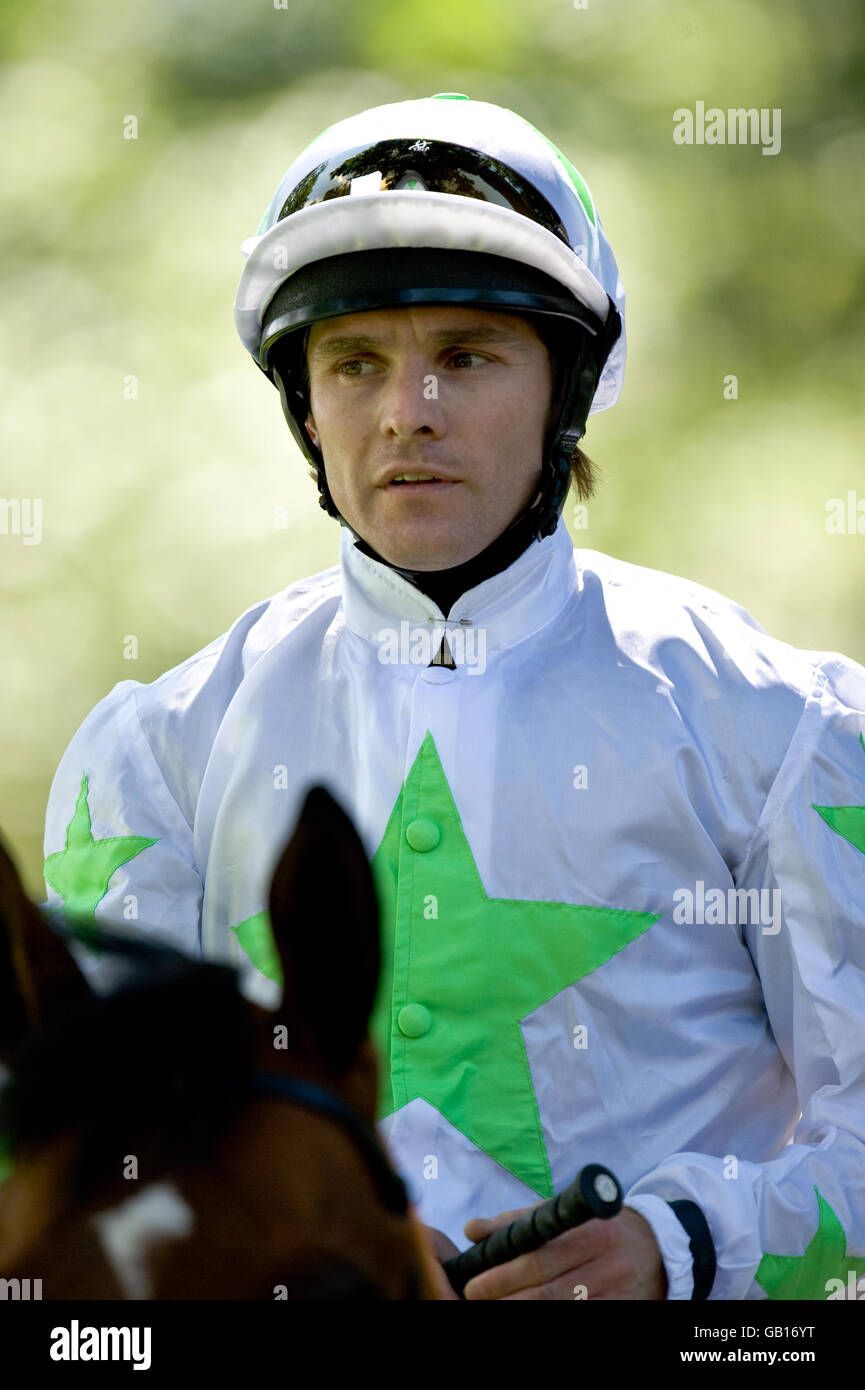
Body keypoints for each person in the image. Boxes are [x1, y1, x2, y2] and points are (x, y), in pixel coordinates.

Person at [41, 93, 865, 1302]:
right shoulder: (155, 757)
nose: (405, 412)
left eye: (467, 357)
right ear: (305, 411)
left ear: (564, 393)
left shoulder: (786, 729)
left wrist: (679, 1247)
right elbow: (100, 1174)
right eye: (355, 361)